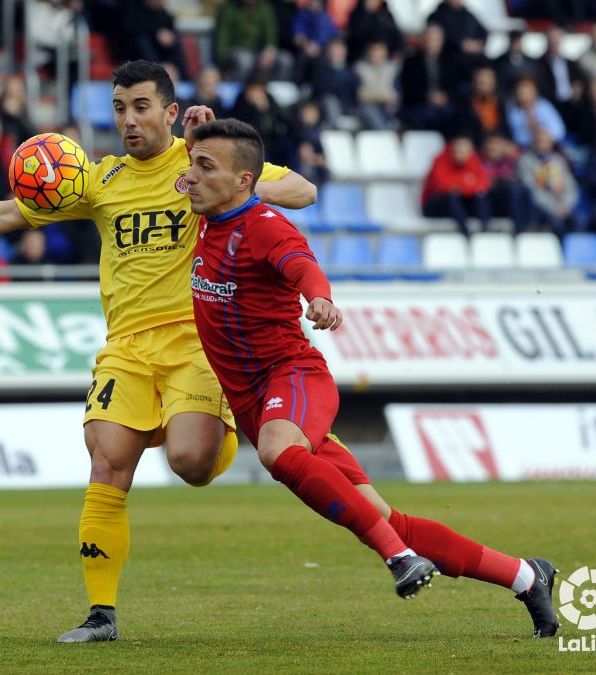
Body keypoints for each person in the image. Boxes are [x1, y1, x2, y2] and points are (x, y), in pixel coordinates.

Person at [0, 60, 316, 643]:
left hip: (195, 341)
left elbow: (303, 190)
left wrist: (220, 177)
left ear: (170, 112)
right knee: (107, 463)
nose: (128, 120)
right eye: (118, 108)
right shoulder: (99, 179)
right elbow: (8, 212)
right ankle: (101, 615)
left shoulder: (203, 165)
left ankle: (220, 427)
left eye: (141, 107)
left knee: (191, 464)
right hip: (126, 350)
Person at [184, 117, 560, 639]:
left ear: (244, 180)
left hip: (291, 378)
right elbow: (191, 161)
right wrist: (194, 139)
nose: (191, 177)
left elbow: (303, 265)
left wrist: (320, 297)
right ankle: (525, 576)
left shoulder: (265, 225)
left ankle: (397, 558)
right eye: (192, 166)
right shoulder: (208, 213)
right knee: (384, 516)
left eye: (205, 168)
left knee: (277, 451)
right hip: (256, 400)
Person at [421, 133, 492, 235]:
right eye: (458, 147)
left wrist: (461, 187)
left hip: (461, 202)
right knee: (452, 197)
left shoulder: (474, 161)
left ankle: (486, 229)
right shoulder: (440, 160)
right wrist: (467, 183)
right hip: (435, 205)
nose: (460, 150)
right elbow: (443, 185)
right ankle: (466, 232)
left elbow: (484, 183)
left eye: (464, 147)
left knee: (480, 196)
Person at [517, 127, 579, 234]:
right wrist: (553, 208)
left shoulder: (559, 161)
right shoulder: (525, 161)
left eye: (546, 141)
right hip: (540, 207)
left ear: (551, 143)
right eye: (539, 141)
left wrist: (565, 206)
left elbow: (570, 186)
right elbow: (532, 190)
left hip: (563, 206)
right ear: (534, 142)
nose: (542, 145)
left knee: (578, 222)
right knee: (556, 224)